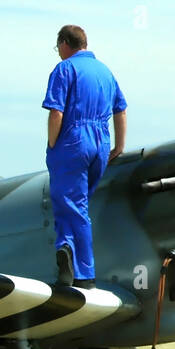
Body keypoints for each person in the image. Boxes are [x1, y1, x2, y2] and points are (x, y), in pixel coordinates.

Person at [42, 24, 127, 288]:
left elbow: (56, 112)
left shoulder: (65, 69)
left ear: (65, 43)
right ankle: (66, 261)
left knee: (71, 204)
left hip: (73, 142)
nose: (58, 53)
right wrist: (119, 147)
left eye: (58, 47)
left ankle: (84, 274)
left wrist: (52, 144)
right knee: (75, 204)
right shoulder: (105, 72)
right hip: (101, 143)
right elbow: (121, 110)